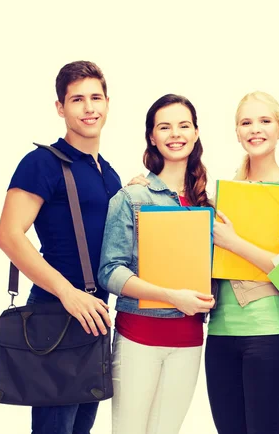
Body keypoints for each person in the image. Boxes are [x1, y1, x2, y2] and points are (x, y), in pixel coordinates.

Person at [0, 60, 121, 434]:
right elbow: (9, 235)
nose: (89, 108)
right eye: (77, 99)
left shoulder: (109, 173)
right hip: (56, 314)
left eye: (95, 98)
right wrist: (69, 294)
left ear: (108, 103)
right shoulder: (42, 163)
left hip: (96, 317)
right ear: (60, 108)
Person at [97, 94, 215, 434]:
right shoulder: (132, 197)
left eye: (183, 126)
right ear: (152, 136)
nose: (175, 134)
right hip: (139, 337)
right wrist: (171, 295)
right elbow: (111, 271)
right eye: (164, 127)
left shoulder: (209, 203)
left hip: (189, 340)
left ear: (195, 134)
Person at [205, 91, 279, 434]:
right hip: (219, 333)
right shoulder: (220, 194)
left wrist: (233, 242)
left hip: (269, 333)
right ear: (237, 132)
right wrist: (144, 183)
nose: (255, 129)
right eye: (246, 122)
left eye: (265, 121)